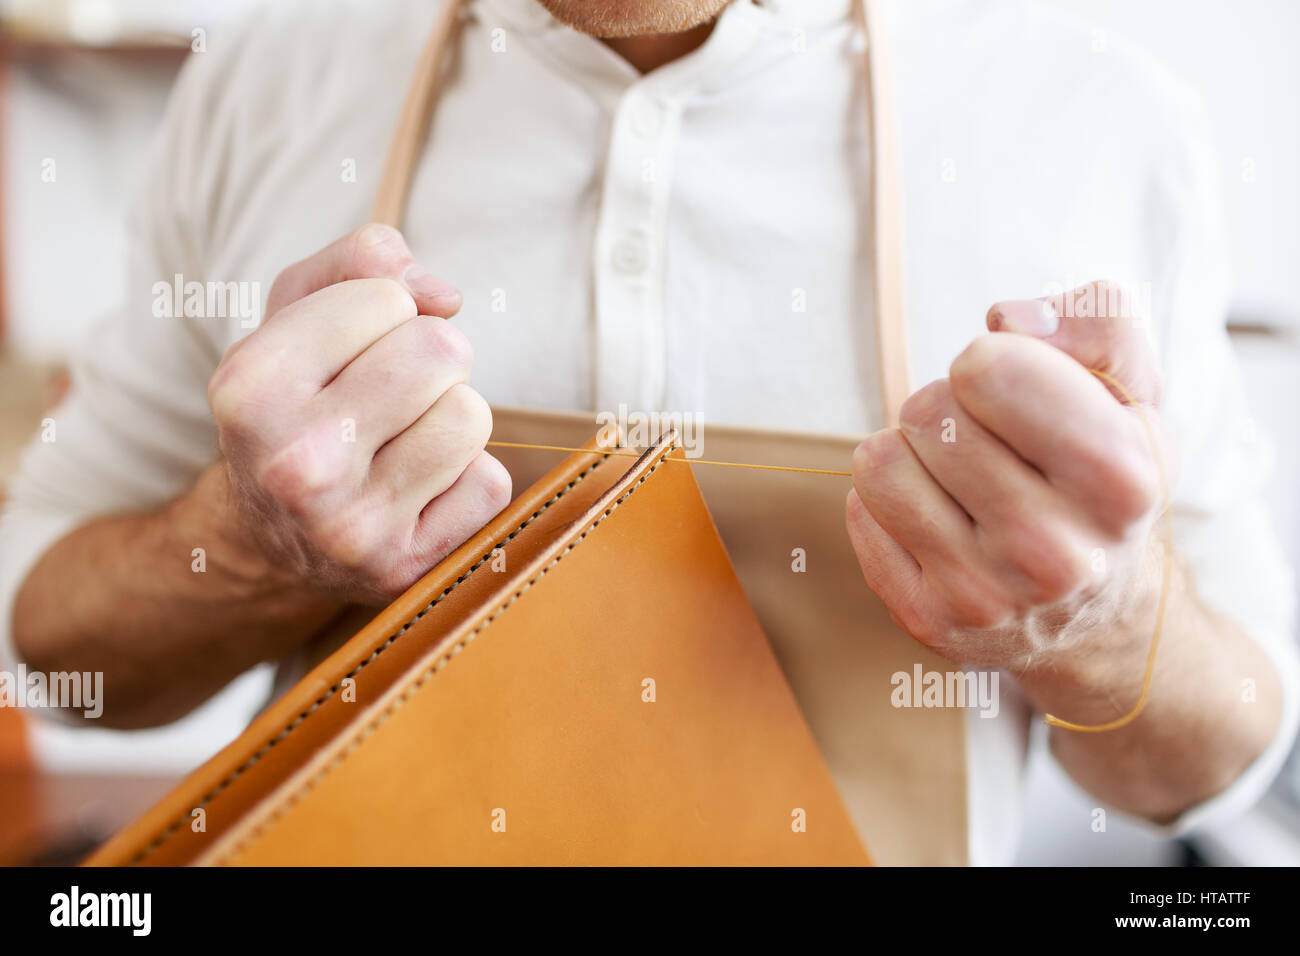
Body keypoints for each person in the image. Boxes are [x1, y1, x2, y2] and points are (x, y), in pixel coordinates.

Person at [1, 0, 1295, 865]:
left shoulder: (1095, 120)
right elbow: (45, 659)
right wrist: (246, 544)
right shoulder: (270, 76)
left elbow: (1228, 760)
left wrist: (1107, 629)